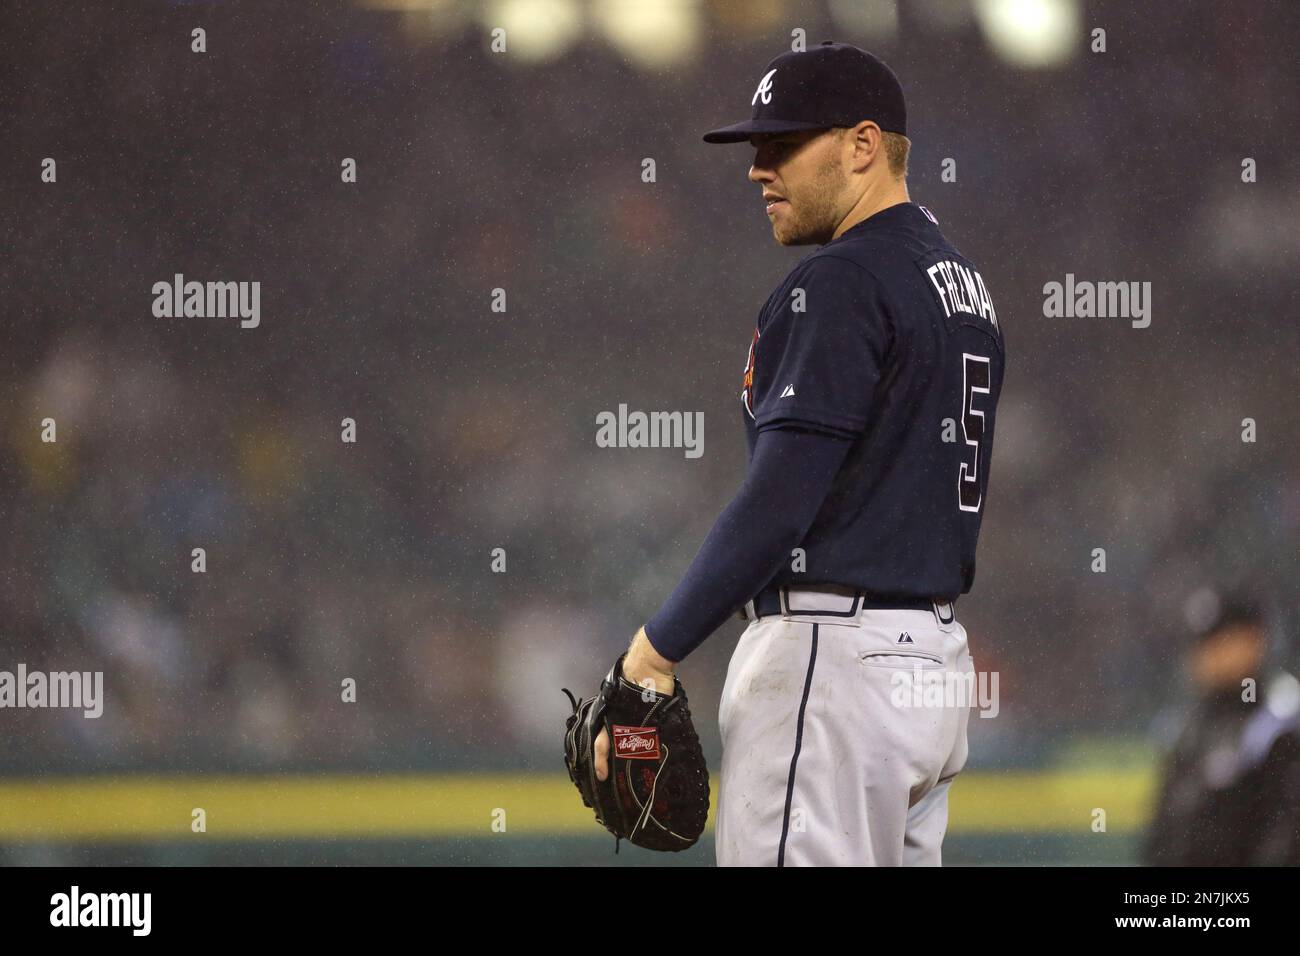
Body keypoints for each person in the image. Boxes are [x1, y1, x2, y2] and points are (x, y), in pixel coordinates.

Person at [593, 41, 1005, 866]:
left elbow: (781, 502)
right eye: (757, 147)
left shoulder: (843, 282)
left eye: (783, 144)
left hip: (832, 663)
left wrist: (652, 653)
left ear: (862, 146)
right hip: (929, 667)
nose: (758, 168)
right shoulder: (963, 284)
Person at [1144, 590, 1300, 865]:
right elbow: (1162, 834)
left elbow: (1284, 838)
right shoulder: (1189, 728)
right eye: (1202, 644)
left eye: (1221, 641)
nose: (1207, 656)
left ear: (1254, 640)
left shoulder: (1279, 720)